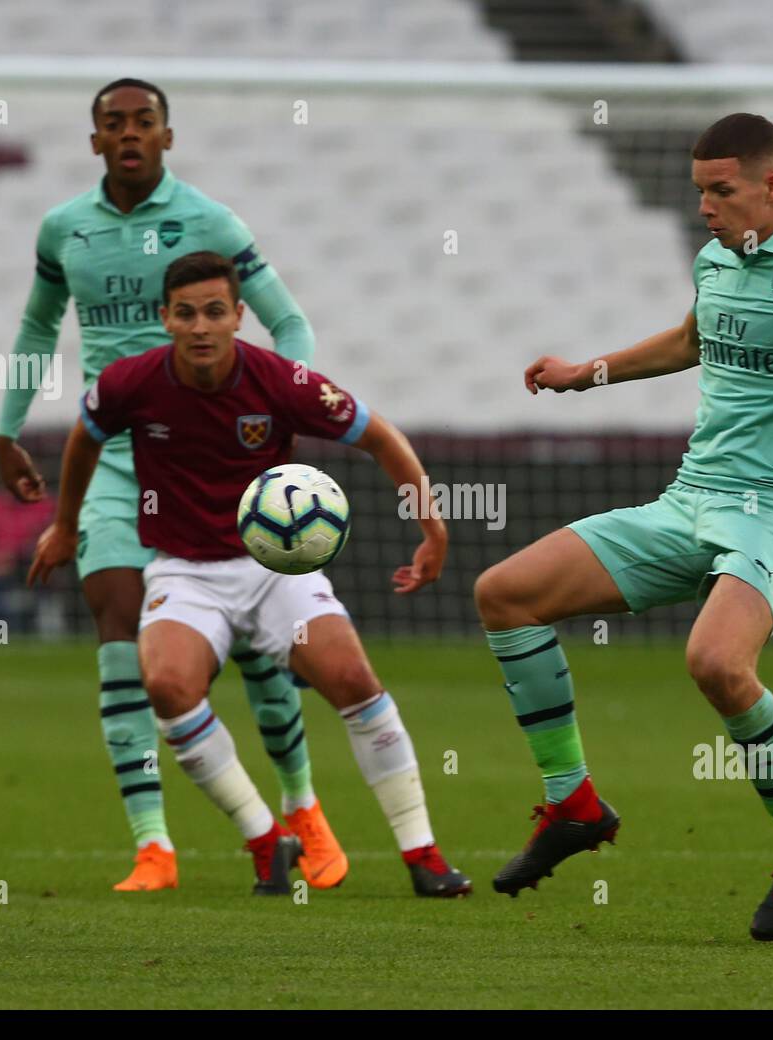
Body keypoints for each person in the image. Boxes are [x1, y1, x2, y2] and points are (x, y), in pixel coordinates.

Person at [473, 113, 773, 942]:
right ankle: (572, 803)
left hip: (772, 511)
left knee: (715, 662)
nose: (705, 208)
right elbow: (692, 341)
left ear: (772, 187)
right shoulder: (716, 257)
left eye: (720, 191)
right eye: (699, 192)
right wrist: (586, 374)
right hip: (688, 499)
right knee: (504, 594)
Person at [0, 79, 348, 892]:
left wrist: (284, 410)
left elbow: (287, 323)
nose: (128, 134)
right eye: (112, 124)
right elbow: (36, 327)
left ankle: (301, 807)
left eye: (142, 122)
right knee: (120, 633)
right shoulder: (64, 229)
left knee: (264, 652)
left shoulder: (212, 224)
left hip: (213, 458)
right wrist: (5, 428)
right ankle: (154, 846)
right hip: (116, 458)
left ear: (167, 135)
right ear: (94, 142)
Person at [28, 251, 471, 898]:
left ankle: (424, 856)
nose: (201, 326)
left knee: (352, 678)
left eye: (214, 312)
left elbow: (382, 437)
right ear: (165, 320)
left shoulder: (282, 382)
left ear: (239, 317)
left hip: (274, 571)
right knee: (167, 686)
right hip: (185, 574)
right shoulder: (132, 383)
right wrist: (66, 526)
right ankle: (268, 841)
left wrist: (432, 526)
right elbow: (84, 437)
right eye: (186, 314)